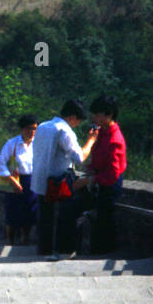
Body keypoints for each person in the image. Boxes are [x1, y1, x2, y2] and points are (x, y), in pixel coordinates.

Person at [31, 99, 95, 259]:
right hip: (57, 182)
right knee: (62, 218)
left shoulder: (43, 126)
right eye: (78, 121)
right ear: (73, 117)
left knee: (44, 218)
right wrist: (91, 141)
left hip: (39, 179)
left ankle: (43, 251)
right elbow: (79, 157)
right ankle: (60, 251)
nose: (77, 124)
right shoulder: (64, 131)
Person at [79, 94, 127, 254]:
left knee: (104, 220)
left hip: (109, 184)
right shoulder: (101, 132)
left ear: (109, 115)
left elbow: (113, 173)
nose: (94, 117)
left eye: (97, 114)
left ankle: (103, 252)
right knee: (97, 219)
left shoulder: (115, 139)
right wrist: (91, 168)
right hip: (100, 179)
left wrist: (91, 179)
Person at [0, 114, 39, 245]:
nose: (32, 132)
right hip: (14, 180)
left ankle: (25, 238)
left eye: (34, 129)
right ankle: (10, 240)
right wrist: (13, 181)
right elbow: (1, 164)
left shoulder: (37, 144)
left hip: (32, 180)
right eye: (29, 128)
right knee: (13, 212)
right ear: (22, 129)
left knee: (30, 212)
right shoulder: (12, 144)